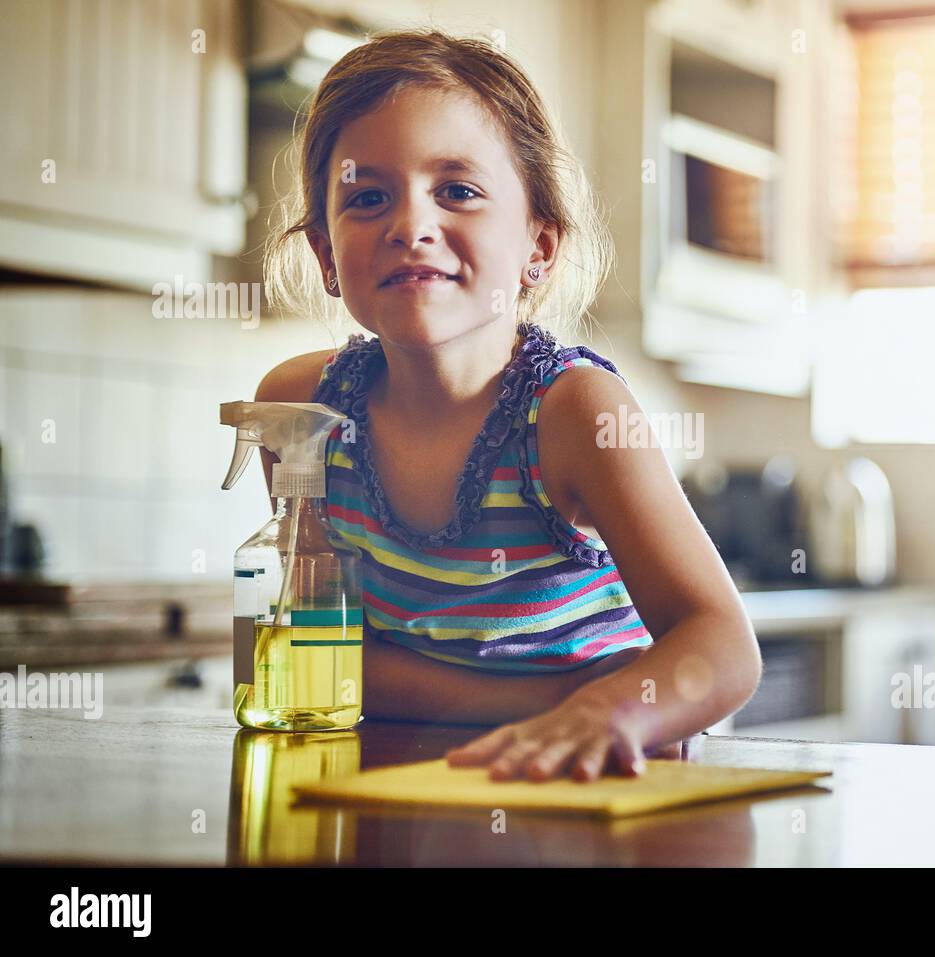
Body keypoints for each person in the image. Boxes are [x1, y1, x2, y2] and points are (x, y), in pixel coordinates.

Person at [256, 27, 760, 782]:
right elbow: (329, 661)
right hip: (406, 795)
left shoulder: (576, 414)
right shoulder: (301, 413)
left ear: (539, 246)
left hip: (589, 791)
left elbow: (720, 643)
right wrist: (557, 693)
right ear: (326, 256)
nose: (411, 225)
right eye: (367, 197)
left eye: (457, 190)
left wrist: (606, 709)